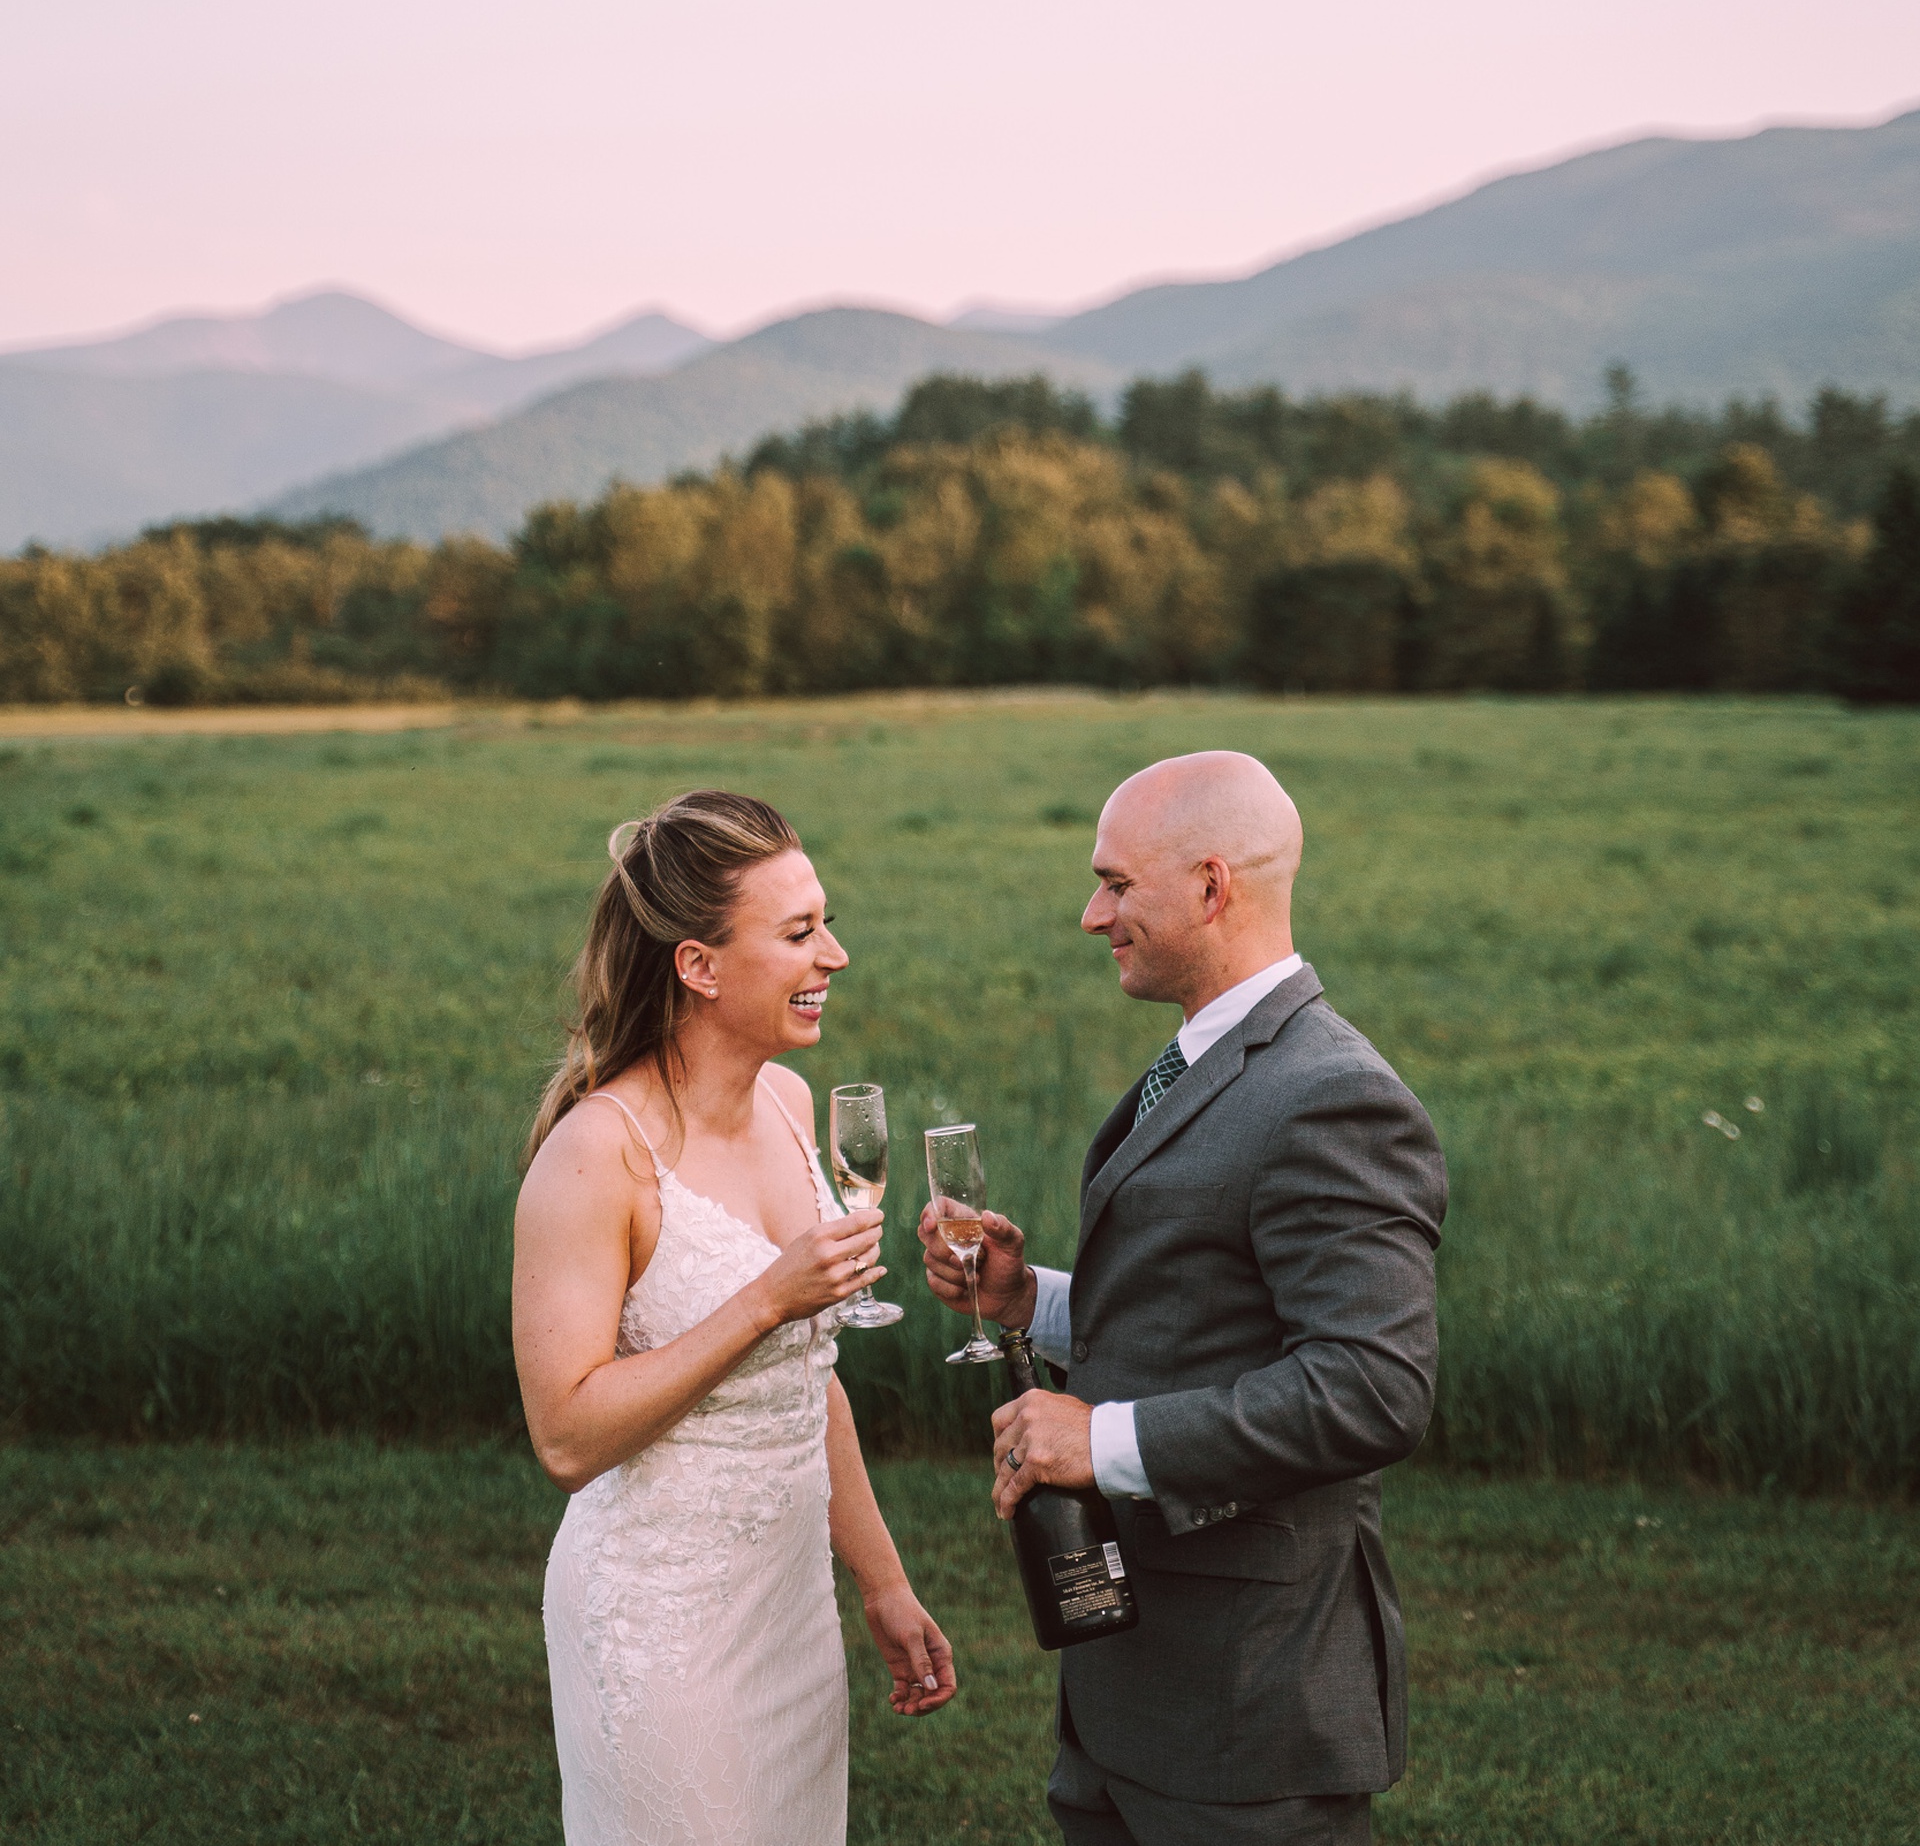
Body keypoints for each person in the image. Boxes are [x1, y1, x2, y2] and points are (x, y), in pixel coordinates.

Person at [920, 750, 1445, 1846]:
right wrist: (1029, 1300)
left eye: (1115, 883)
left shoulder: (1333, 1094)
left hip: (1248, 1702)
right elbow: (1199, 1310)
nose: (1089, 913)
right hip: (1134, 1680)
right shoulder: (1209, 1056)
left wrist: (1098, 1437)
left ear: (1210, 886)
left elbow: (1371, 1388)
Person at [516, 788, 955, 1846]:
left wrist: (884, 1583)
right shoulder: (596, 1154)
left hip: (789, 1610)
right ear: (700, 965)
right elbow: (568, 1435)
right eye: (800, 932)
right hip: (658, 1621)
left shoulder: (792, 1108)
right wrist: (767, 1297)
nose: (835, 956)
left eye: (827, 922)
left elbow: (810, 1377)